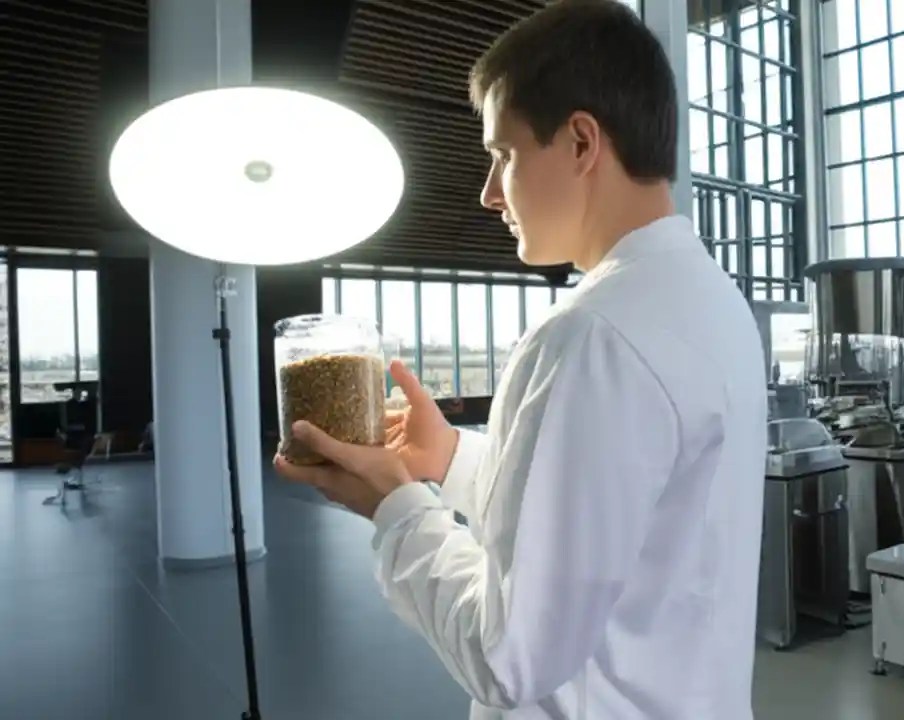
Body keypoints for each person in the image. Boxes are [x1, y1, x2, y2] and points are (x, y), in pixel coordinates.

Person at [274, 1, 767, 717]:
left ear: (579, 142)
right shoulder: (710, 302)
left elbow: (510, 657)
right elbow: (613, 526)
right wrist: (447, 457)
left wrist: (394, 507)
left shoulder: (594, 334)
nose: (487, 192)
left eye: (503, 155)